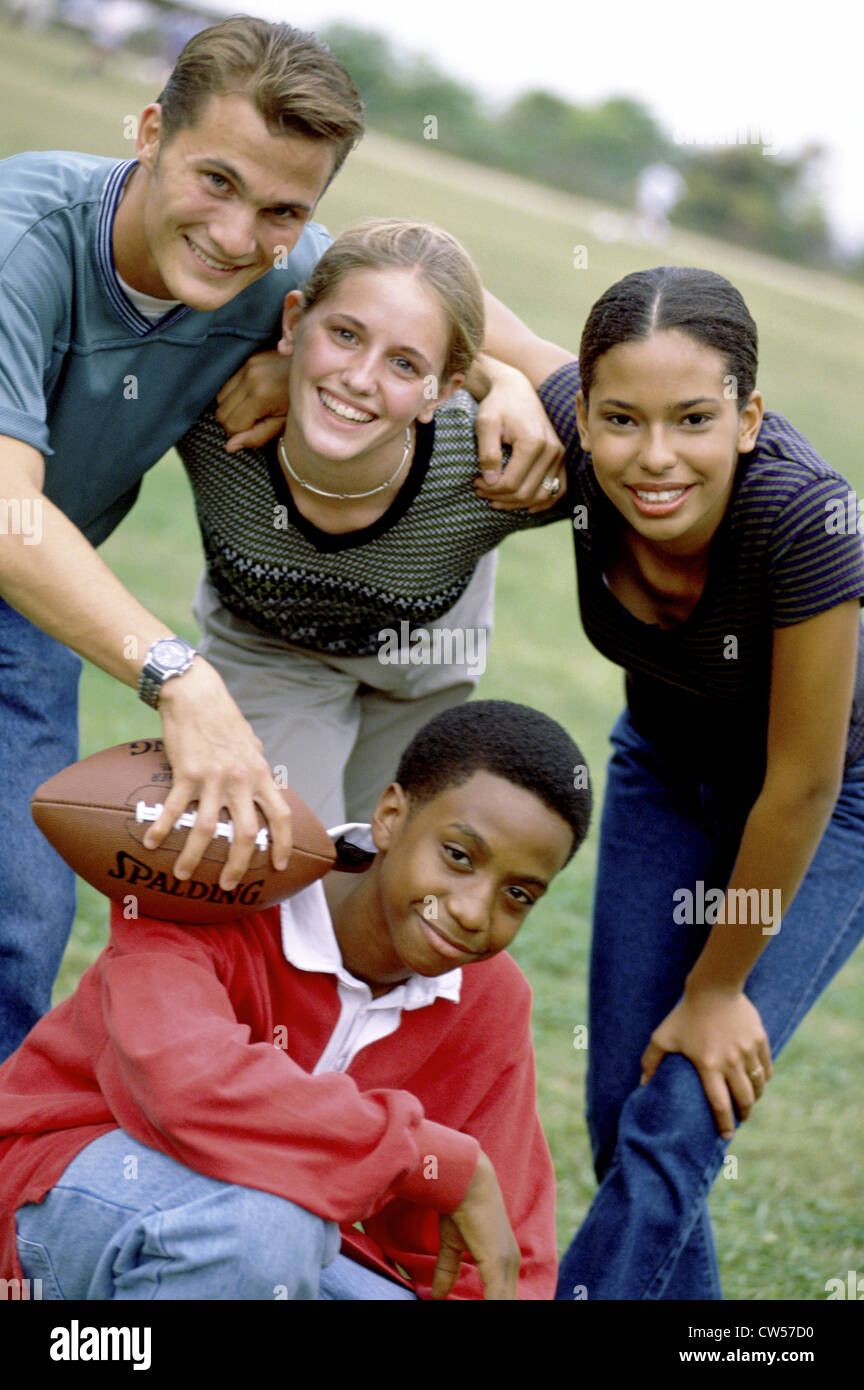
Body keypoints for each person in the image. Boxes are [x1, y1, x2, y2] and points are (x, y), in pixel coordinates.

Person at [0, 15, 563, 1061]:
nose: (235, 232)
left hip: (27, 600)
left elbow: (466, 315)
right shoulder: (20, 234)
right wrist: (180, 675)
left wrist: (515, 382)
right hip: (23, 543)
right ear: (151, 129)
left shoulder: (285, 269)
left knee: (16, 914)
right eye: (214, 180)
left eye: (281, 210)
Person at [490, 265, 864, 1299]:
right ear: (589, 410)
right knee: (623, 1111)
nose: (653, 456)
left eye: (694, 418)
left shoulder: (807, 524)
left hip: (829, 804)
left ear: (748, 416)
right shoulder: (582, 421)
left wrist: (716, 988)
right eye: (620, 419)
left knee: (679, 1114)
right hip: (662, 764)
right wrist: (499, 381)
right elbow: (437, 279)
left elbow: (802, 783)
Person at [0, 701, 592, 1301]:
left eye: (517, 893)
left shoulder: (486, 997)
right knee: (263, 1230)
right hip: (61, 1198)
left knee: (287, 1240)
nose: (472, 911)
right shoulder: (218, 877)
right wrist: (424, 1155)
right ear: (390, 816)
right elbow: (189, 1090)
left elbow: (495, 1249)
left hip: (278, 1248)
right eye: (459, 856)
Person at [178, 218, 572, 826]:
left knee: (372, 869)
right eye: (343, 335)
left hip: (423, 658)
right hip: (272, 649)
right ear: (292, 323)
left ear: (444, 392)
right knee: (284, 853)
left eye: (405, 365)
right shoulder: (217, 408)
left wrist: (514, 380)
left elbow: (647, 454)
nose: (360, 380)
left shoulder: (490, 461)